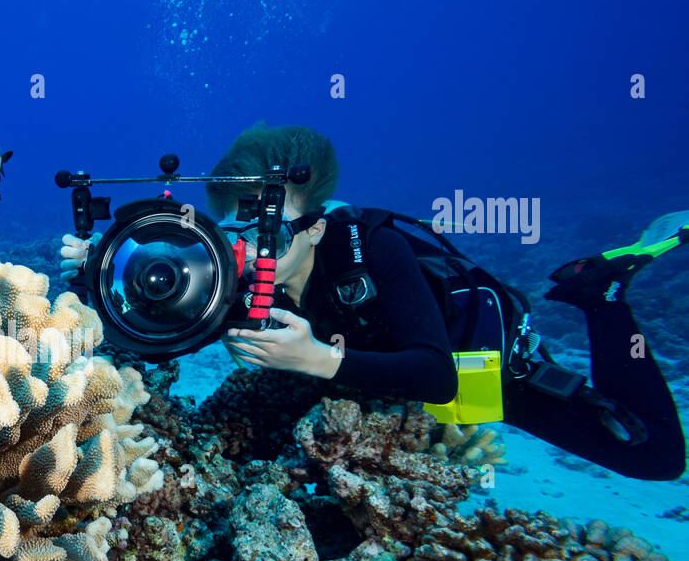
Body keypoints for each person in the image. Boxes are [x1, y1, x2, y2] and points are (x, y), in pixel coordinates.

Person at [59, 122, 687, 481]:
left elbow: (435, 373)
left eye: (266, 228)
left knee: (655, 458)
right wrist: (102, 273)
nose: (248, 251)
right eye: (235, 232)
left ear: (313, 224)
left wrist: (318, 362)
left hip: (471, 361)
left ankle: (601, 295)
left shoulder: (374, 248)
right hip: (360, 376)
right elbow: (165, 333)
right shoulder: (248, 266)